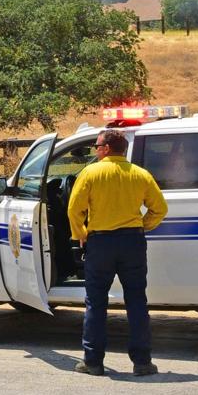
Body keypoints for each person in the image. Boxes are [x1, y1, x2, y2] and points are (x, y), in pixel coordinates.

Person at [67, 129, 168, 377]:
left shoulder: (91, 172)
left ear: (107, 149)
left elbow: (73, 209)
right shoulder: (140, 174)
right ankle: (142, 362)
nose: (96, 150)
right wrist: (142, 227)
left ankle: (93, 361)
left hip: (100, 242)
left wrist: (80, 233)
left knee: (96, 302)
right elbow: (160, 209)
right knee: (136, 301)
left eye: (97, 146)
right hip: (132, 242)